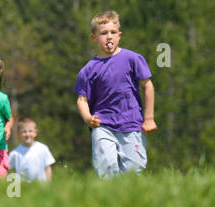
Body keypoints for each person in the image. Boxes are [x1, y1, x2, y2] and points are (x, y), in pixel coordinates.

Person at [74, 10, 157, 177]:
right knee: (106, 167)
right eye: (103, 33)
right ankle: (107, 199)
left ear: (119, 35)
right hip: (103, 125)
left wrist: (148, 118)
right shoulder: (88, 70)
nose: (109, 37)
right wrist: (88, 118)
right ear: (94, 38)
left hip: (132, 124)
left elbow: (148, 86)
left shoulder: (133, 59)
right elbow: (82, 100)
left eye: (113, 32)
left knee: (133, 172)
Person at [9, 117, 56, 182]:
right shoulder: (15, 153)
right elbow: (9, 170)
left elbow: (48, 168)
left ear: (35, 133)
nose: (27, 134)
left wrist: (48, 183)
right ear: (19, 134)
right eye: (24, 132)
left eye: (30, 131)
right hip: (23, 187)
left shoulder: (42, 148)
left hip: (41, 185)